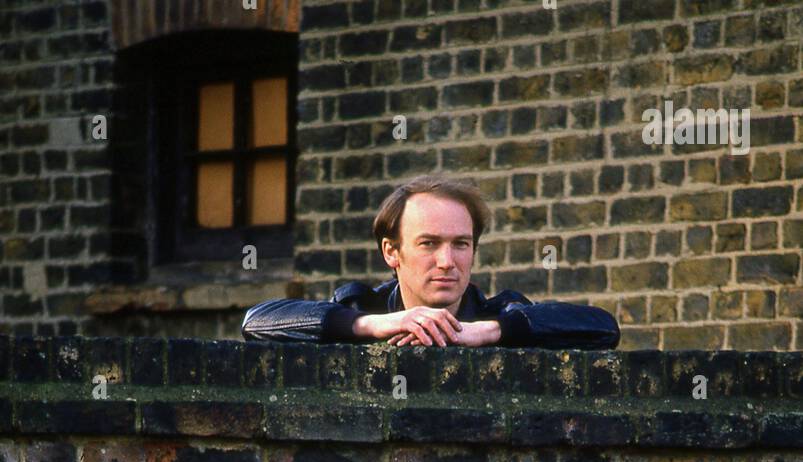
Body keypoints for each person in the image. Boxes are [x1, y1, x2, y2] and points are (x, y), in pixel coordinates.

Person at [241, 174, 620, 350]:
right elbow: (257, 322)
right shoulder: (362, 307)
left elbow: (603, 329)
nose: (447, 261)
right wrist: (378, 325)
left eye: (461, 244)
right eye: (428, 243)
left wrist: (486, 332)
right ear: (392, 252)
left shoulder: (499, 312)